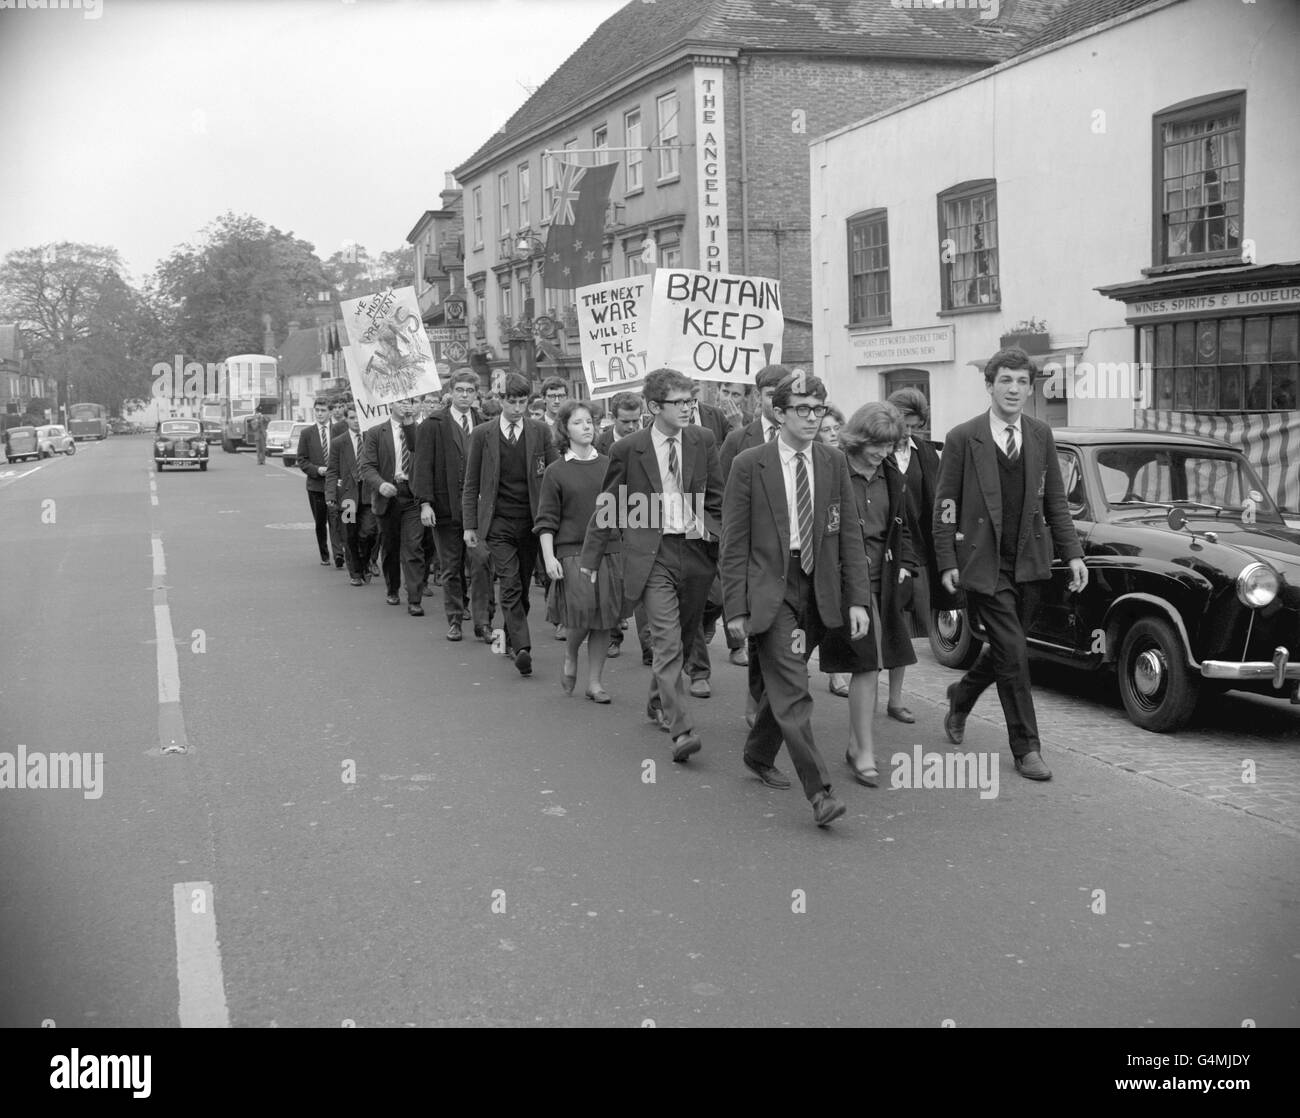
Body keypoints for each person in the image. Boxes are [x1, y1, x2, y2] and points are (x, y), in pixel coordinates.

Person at [721, 372, 870, 828]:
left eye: (818, 408)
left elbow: (848, 534)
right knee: (793, 688)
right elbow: (733, 541)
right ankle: (820, 792)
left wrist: (858, 600)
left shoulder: (832, 461)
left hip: (820, 588)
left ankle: (758, 750)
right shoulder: (750, 463)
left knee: (783, 686)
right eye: (801, 409)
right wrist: (736, 609)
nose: (811, 417)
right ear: (779, 412)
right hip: (772, 587)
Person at [933, 347, 1088, 782]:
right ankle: (1026, 748)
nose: (1014, 389)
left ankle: (961, 697)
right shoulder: (964, 437)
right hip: (983, 566)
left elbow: (1056, 501)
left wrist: (1072, 553)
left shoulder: (1040, 435)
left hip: (1030, 562)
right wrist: (947, 557)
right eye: (1006, 380)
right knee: (1015, 654)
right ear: (989, 385)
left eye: (1022, 382)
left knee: (1007, 648)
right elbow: (945, 504)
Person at [580, 368, 723, 763]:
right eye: (679, 402)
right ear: (654, 406)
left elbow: (718, 497)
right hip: (651, 554)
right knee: (667, 641)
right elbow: (609, 504)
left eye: (690, 401)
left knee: (688, 634)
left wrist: (714, 532)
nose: (688, 408)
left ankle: (657, 700)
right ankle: (681, 730)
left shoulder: (702, 439)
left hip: (695, 553)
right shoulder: (630, 449)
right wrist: (591, 558)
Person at [819, 402, 918, 788]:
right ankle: (861, 749)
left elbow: (903, 526)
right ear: (859, 438)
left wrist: (908, 562)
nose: (882, 452)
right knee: (866, 661)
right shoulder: (833, 468)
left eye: (890, 445)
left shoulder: (892, 474)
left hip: (884, 578)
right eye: (877, 444)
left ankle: (858, 747)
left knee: (870, 661)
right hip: (842, 579)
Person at [462, 372, 558, 676]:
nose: (518, 408)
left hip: (531, 523)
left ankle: (508, 635)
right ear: (500, 400)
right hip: (498, 522)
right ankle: (523, 648)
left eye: (522, 402)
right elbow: (471, 483)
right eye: (512, 401)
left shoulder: (541, 432)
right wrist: (470, 526)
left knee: (524, 588)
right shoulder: (482, 434)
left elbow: (555, 476)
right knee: (510, 582)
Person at [536, 400, 623, 703]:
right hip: (572, 551)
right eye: (578, 422)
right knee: (584, 613)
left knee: (605, 618)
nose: (587, 427)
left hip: (610, 549)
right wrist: (548, 557)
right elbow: (546, 520)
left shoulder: (610, 465)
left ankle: (595, 683)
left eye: (590, 421)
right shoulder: (556, 471)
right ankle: (571, 653)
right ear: (565, 429)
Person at [414, 369, 491, 642]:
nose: (465, 395)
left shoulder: (484, 424)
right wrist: (425, 504)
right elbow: (422, 467)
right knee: (451, 566)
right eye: (460, 390)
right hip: (445, 508)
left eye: (470, 391)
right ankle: (455, 620)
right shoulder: (433, 425)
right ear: (450, 393)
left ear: (476, 394)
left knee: (481, 563)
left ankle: (483, 621)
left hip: (478, 510)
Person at [885, 386, 946, 721]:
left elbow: (935, 499)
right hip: (883, 548)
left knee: (905, 628)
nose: (907, 431)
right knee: (877, 624)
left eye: (914, 425)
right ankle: (854, 682)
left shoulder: (924, 452)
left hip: (917, 549)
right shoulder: (876, 448)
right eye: (903, 422)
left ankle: (895, 698)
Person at [596, 391, 652, 662]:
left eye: (636, 421)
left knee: (644, 580)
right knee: (615, 581)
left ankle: (649, 644)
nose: (631, 427)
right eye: (625, 422)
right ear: (612, 418)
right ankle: (613, 635)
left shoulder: (649, 441)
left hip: (641, 516)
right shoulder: (599, 443)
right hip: (609, 515)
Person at [358, 397, 426, 613]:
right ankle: (392, 588)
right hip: (388, 495)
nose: (406, 405)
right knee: (390, 546)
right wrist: (380, 485)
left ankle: (414, 598)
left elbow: (424, 459)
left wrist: (410, 425)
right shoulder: (376, 433)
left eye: (411, 401)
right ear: (390, 405)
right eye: (401, 402)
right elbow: (367, 466)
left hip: (413, 496)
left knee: (414, 547)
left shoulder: (421, 431)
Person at [816, 404, 851, 698]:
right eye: (826, 430)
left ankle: (836, 671)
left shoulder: (847, 460)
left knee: (835, 613)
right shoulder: (816, 463)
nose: (833, 434)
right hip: (816, 548)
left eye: (836, 428)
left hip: (841, 548)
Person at [325, 404, 372, 586]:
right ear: (346, 419)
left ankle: (365, 561)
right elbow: (332, 471)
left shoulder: (370, 438)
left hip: (368, 495)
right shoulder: (339, 442)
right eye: (352, 418)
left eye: (359, 418)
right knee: (349, 534)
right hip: (348, 497)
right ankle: (355, 572)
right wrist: (330, 494)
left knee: (368, 532)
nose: (356, 422)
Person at [298, 399, 344, 567]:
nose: (319, 413)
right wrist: (317, 470)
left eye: (323, 410)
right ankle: (324, 554)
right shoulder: (307, 433)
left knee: (337, 518)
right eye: (317, 410)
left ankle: (339, 554)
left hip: (337, 484)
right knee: (320, 522)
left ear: (329, 412)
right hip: (316, 486)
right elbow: (301, 460)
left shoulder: (339, 431)